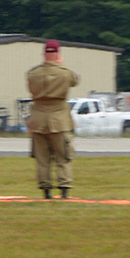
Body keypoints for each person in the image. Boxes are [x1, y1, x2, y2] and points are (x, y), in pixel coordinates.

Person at [25, 39, 80, 199]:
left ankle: (46, 191)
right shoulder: (65, 73)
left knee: (42, 159)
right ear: (58, 54)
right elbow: (75, 80)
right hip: (59, 119)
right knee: (63, 157)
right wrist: (61, 64)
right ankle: (64, 190)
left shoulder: (33, 73)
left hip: (37, 119)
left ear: (44, 54)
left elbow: (30, 88)